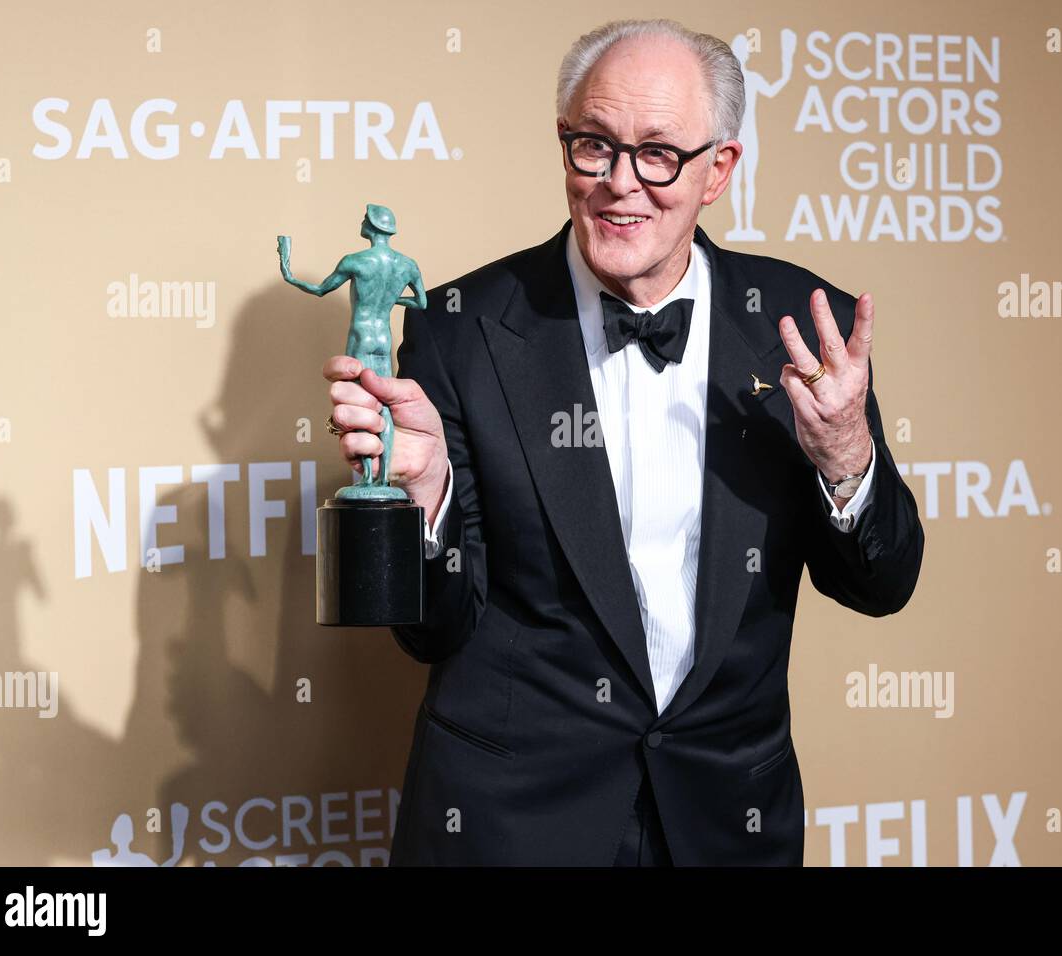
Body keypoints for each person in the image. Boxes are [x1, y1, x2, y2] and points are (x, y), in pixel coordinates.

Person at [322, 18, 924, 865]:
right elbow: (433, 632)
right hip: (509, 826)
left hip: (726, 824)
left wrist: (846, 457)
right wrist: (425, 500)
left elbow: (883, 584)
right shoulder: (459, 329)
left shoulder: (796, 323)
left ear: (720, 169)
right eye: (593, 146)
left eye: (658, 154)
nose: (619, 183)